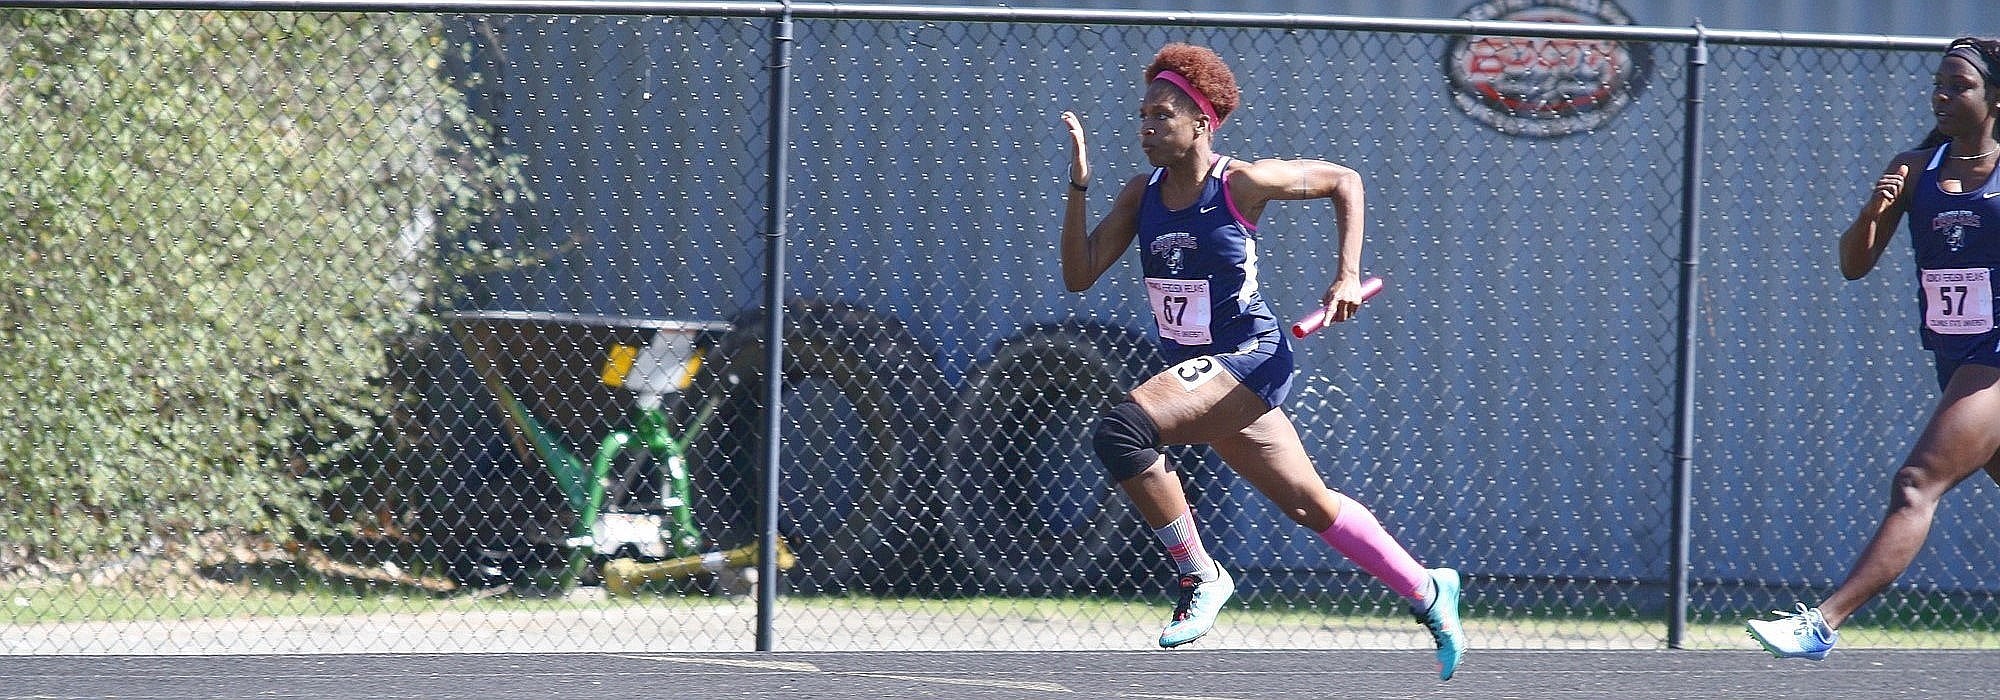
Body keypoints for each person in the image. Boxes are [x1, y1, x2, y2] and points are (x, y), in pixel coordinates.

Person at [1058, 42, 1466, 680]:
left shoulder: (1241, 182)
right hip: (1207, 373)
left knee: (1122, 430)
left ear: (1201, 123)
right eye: (1141, 115)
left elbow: (1344, 181)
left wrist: (1346, 277)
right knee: (1309, 503)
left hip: (1251, 356)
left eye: (1162, 115)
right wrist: (1080, 184)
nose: (1146, 126)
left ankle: (1201, 575)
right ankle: (1427, 588)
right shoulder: (1142, 195)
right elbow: (1079, 274)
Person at [1746, 37, 2000, 661]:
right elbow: (1854, 265)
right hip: (1956, 358)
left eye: (1958, 85)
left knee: (1917, 483)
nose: (1941, 95)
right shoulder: (1916, 169)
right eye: (1938, 84)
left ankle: (1821, 625)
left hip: (1995, 356)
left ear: (1996, 97)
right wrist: (1874, 208)